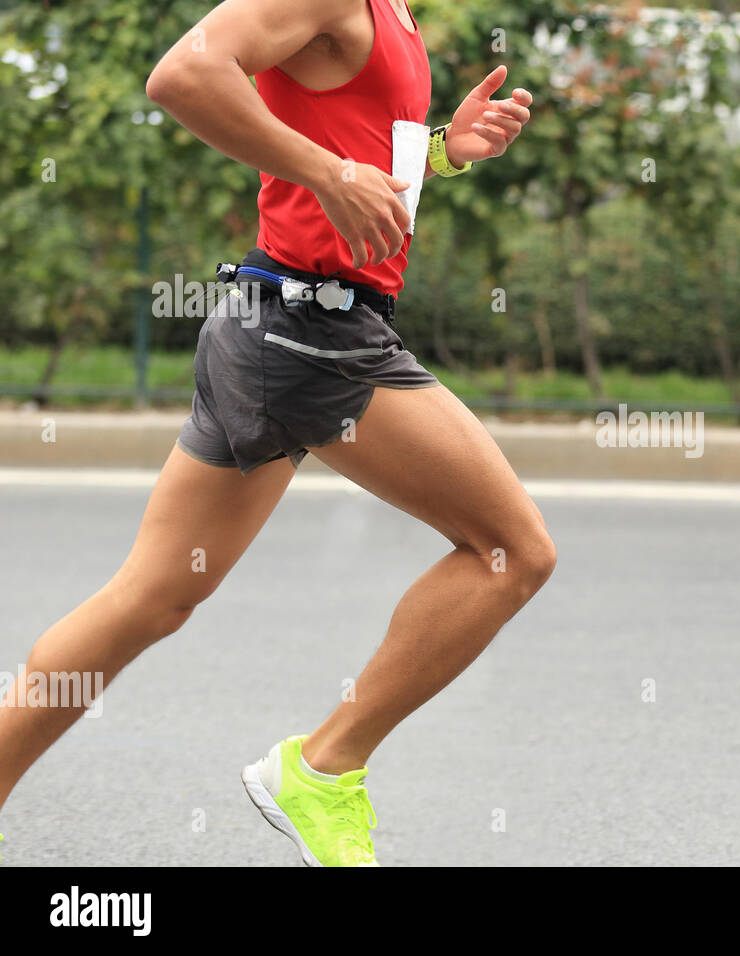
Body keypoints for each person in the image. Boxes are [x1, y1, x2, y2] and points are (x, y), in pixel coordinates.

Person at [0, 0, 553, 867]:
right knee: (511, 553)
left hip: (269, 325)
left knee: (153, 597)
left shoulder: (394, 12)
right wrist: (331, 173)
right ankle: (324, 768)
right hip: (313, 334)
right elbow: (183, 75)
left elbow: (352, 150)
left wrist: (444, 149)